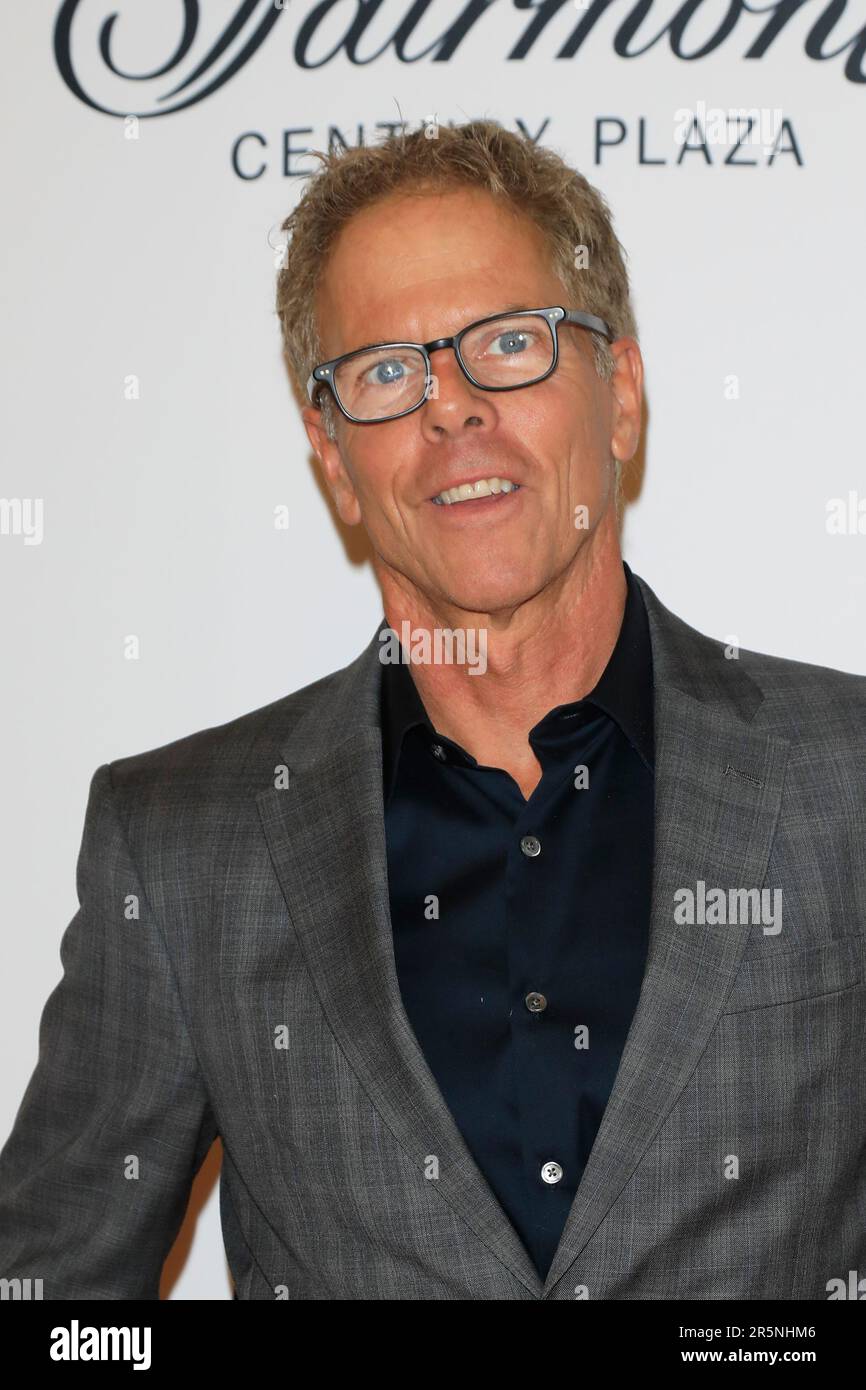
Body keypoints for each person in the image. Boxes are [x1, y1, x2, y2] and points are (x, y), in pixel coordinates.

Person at [1, 120, 863, 1301]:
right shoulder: (184, 842)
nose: (452, 408)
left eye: (508, 343)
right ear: (332, 455)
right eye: (388, 371)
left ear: (618, 392)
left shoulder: (845, 779)